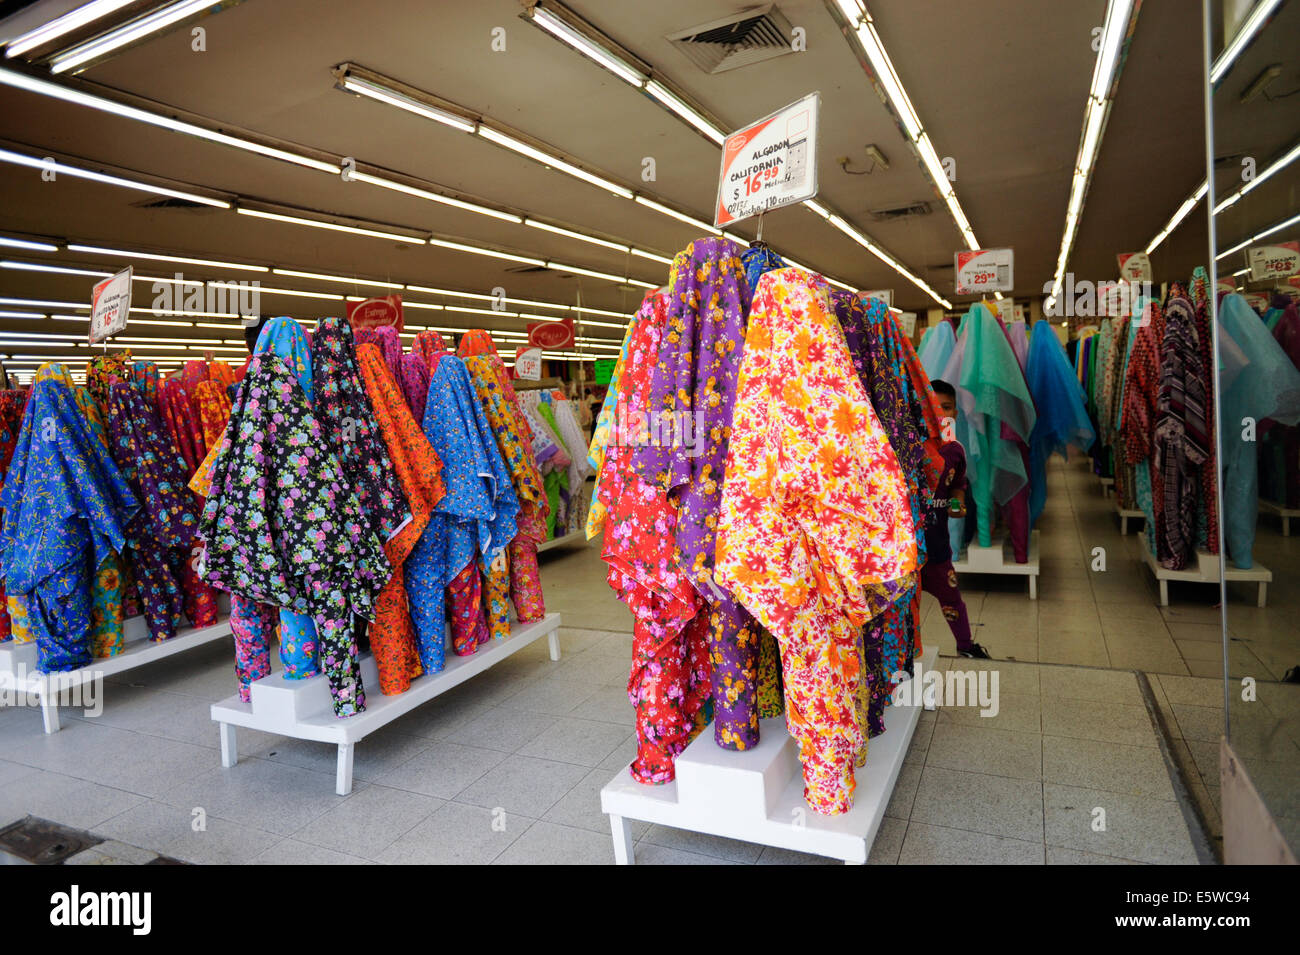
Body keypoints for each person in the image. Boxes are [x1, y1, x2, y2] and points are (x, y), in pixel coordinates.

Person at [925, 379, 989, 659]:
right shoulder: (912, 446)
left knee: (952, 598)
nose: (940, 414)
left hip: (938, 546)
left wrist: (957, 504)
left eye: (947, 407)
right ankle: (905, 656)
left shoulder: (955, 450)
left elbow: (957, 484)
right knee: (905, 606)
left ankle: (965, 645)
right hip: (908, 549)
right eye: (934, 407)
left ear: (956, 413)